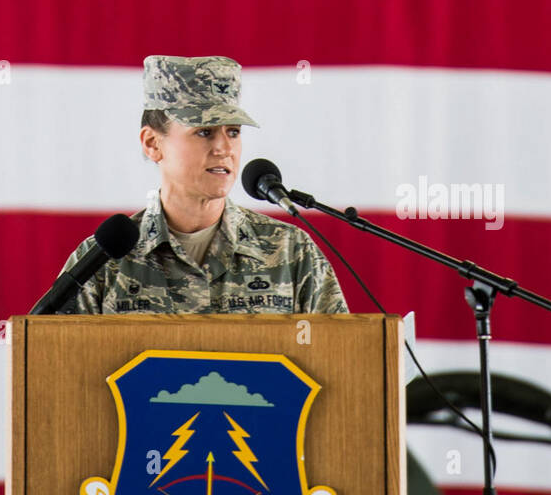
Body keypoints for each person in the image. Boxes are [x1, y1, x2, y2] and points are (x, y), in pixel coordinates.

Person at [55, 54, 349, 316]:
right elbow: (56, 369)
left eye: (233, 132)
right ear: (152, 143)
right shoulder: (102, 262)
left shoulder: (289, 251)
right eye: (204, 132)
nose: (224, 148)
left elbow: (341, 365)